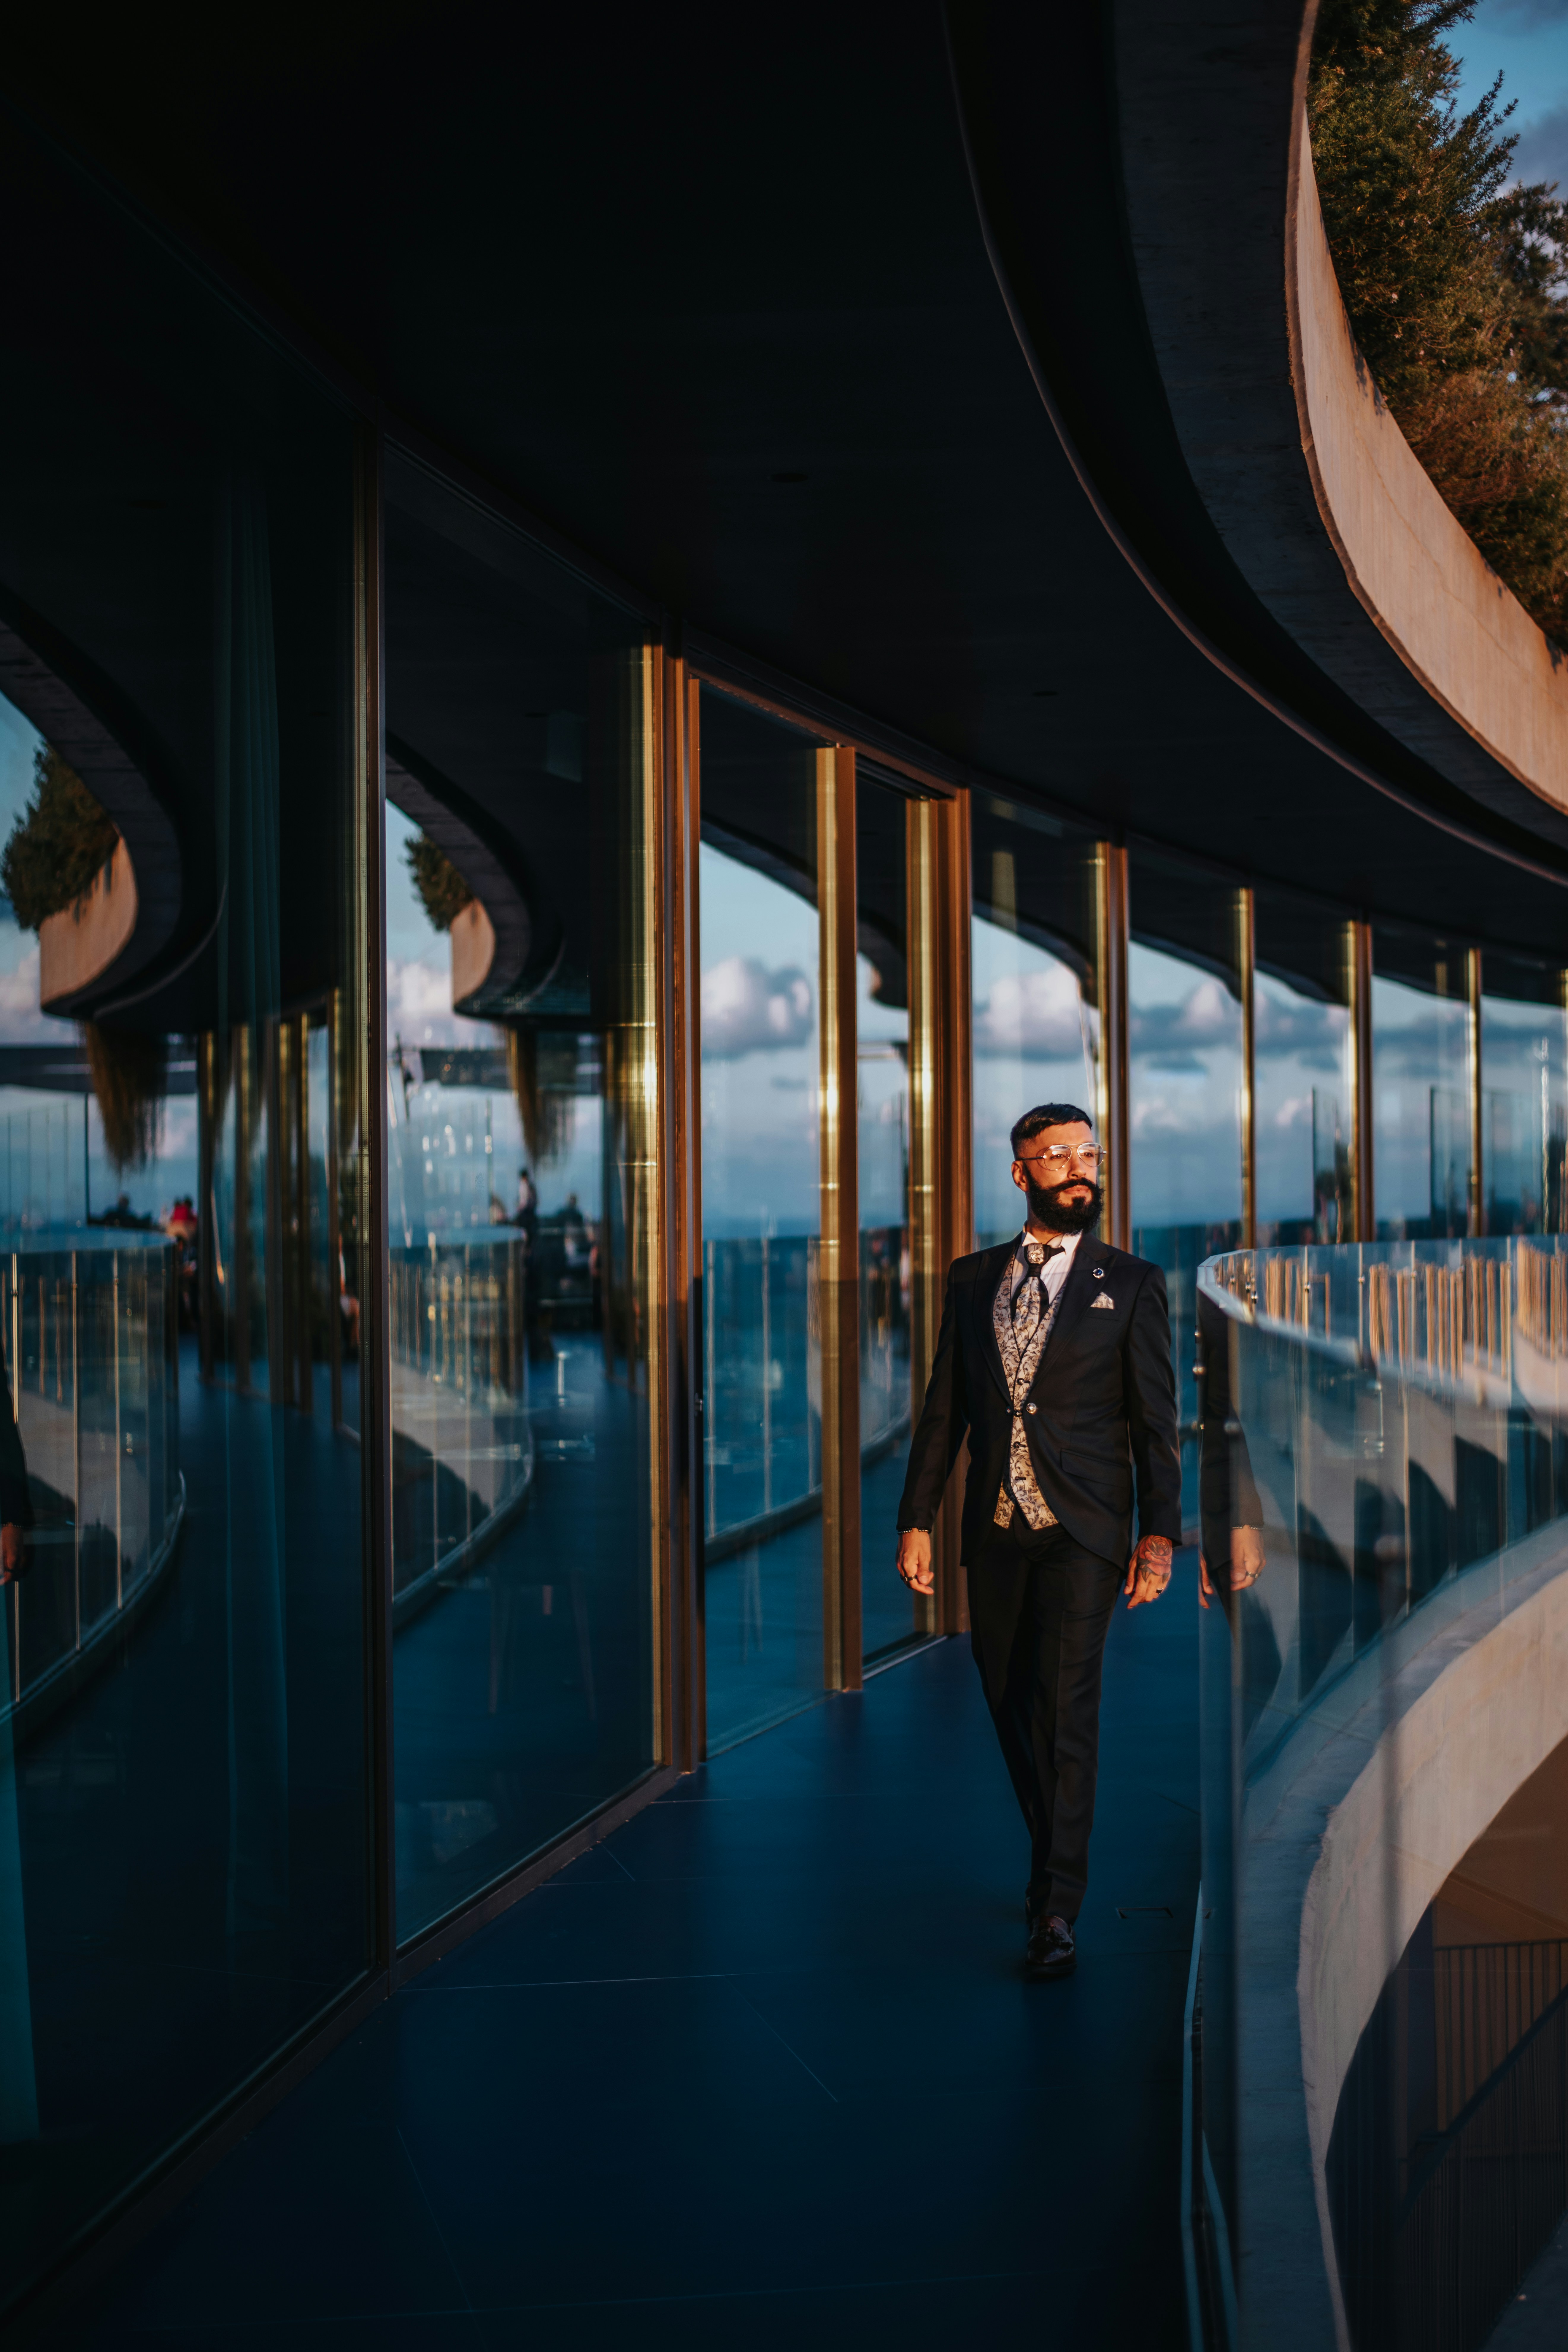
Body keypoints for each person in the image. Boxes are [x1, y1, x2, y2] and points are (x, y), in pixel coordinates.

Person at [895, 1101, 1182, 1981]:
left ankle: (1056, 1906)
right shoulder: (971, 1277)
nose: (1076, 1168)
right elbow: (947, 1408)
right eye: (1055, 1156)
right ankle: (1054, 1846)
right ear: (1021, 1174)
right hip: (995, 1528)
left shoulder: (1130, 1283)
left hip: (1085, 1529)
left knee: (1066, 1709)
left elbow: (1155, 1425)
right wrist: (917, 1515)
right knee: (1006, 1696)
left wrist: (1160, 1536)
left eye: (1086, 1152)